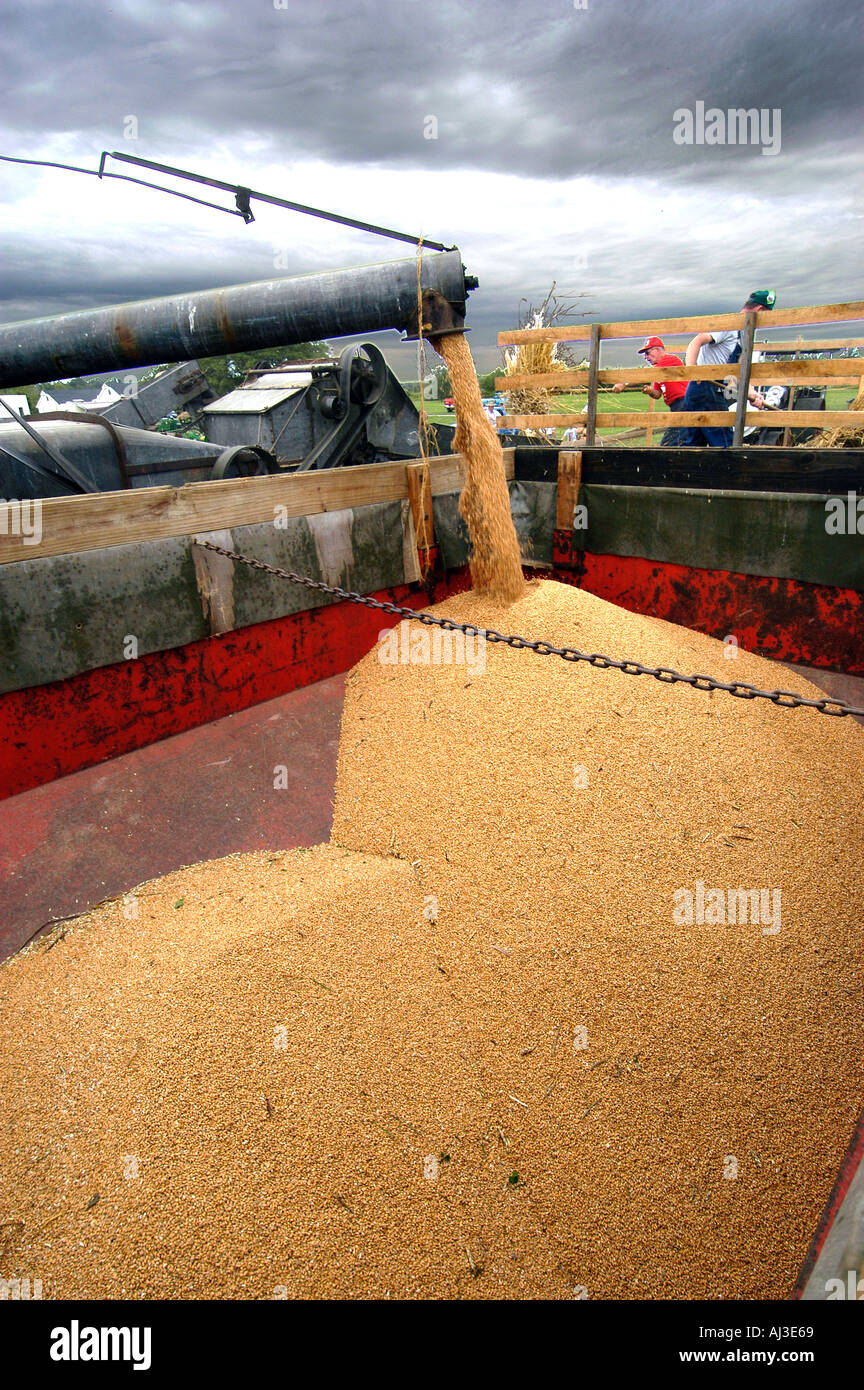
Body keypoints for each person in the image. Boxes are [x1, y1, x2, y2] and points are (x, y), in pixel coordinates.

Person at [677, 290, 775, 446]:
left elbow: (740, 372)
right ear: (760, 311)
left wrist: (753, 394)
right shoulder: (729, 325)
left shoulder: (744, 335)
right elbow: (697, 341)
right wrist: (692, 370)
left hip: (714, 390)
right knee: (725, 444)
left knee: (694, 445)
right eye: (767, 316)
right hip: (705, 387)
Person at [612, 335, 689, 445]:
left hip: (683, 403)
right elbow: (657, 394)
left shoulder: (670, 360)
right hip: (676, 406)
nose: (646, 357)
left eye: (647, 353)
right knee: (681, 440)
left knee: (669, 443)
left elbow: (647, 374)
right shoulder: (658, 371)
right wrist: (650, 391)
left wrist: (624, 383)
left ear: (657, 350)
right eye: (644, 355)